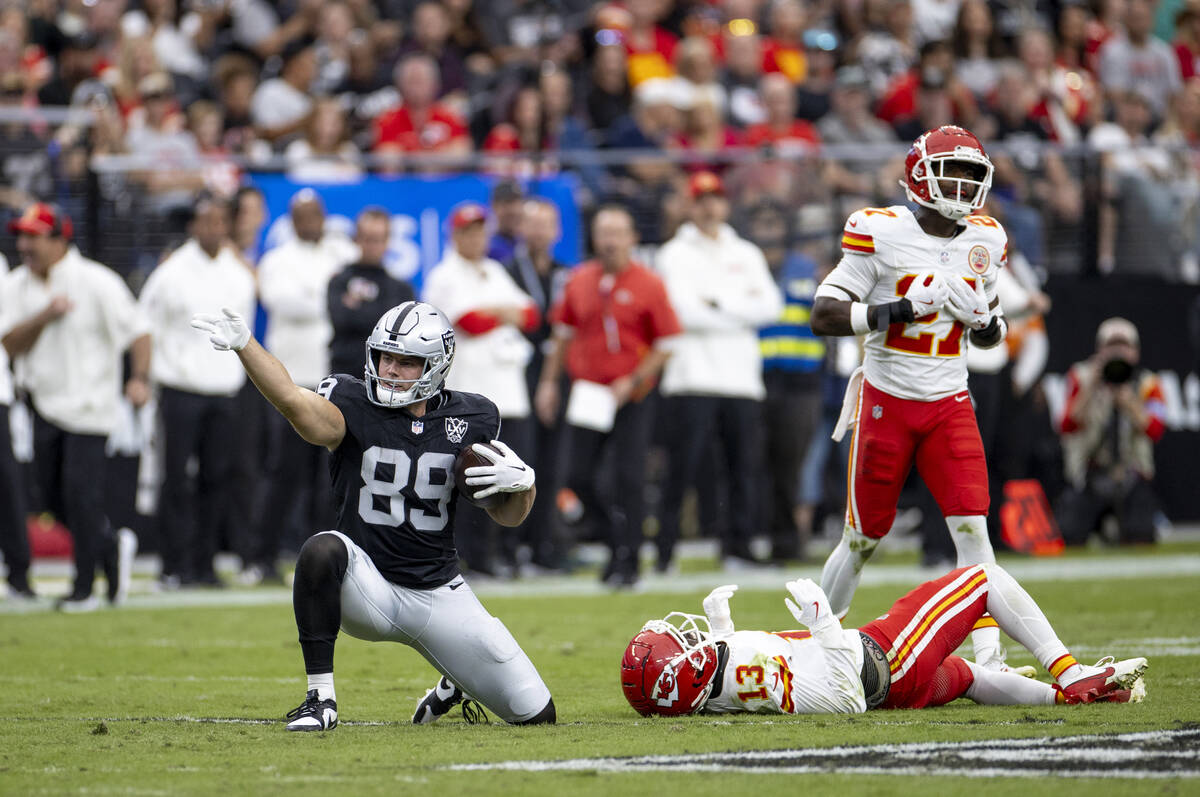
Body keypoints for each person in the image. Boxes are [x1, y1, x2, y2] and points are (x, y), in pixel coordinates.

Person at [190, 300, 554, 730]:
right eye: (385, 356)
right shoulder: (351, 401)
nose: (391, 369)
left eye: (406, 361)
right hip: (367, 587)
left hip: (439, 591)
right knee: (321, 550)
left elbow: (509, 517)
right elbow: (293, 401)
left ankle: (452, 683)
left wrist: (524, 486)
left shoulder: (473, 416)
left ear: (436, 366)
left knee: (535, 713)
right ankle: (319, 697)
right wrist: (247, 346)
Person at [809, 125, 1011, 672]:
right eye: (955, 171)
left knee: (974, 533)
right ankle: (817, 646)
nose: (966, 185)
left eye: (974, 174)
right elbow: (823, 315)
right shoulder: (879, 231)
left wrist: (986, 320)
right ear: (920, 174)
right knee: (861, 538)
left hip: (949, 402)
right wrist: (898, 310)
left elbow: (991, 332)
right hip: (887, 402)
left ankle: (989, 657)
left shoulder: (985, 239)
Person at [620, 565, 1149, 717]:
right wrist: (824, 624)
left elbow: (743, 673)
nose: (685, 638)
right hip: (885, 657)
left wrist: (719, 633)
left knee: (967, 678)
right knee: (982, 580)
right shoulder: (764, 688)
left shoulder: (713, 690)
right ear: (681, 678)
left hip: (894, 684)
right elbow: (844, 696)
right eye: (681, 647)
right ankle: (1070, 670)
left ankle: (1065, 698)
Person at [0, 203, 144, 611]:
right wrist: (45, 315)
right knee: (51, 500)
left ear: (59, 238)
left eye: (34, 236)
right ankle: (109, 545)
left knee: (81, 495)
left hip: (90, 406)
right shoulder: (15, 285)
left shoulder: (96, 280)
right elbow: (7, 345)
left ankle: (83, 588)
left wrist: (139, 378)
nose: (24, 244)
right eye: (21, 236)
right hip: (42, 406)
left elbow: (139, 331)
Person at [535, 206, 681, 588]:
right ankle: (615, 542)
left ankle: (629, 559)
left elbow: (666, 344)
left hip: (632, 394)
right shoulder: (580, 280)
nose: (610, 241)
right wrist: (549, 383)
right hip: (589, 392)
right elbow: (562, 336)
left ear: (633, 238)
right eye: (603, 232)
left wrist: (632, 379)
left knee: (630, 476)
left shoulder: (649, 283)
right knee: (576, 475)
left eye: (618, 232)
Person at [653, 172, 784, 572]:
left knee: (743, 468)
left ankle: (739, 549)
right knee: (683, 468)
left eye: (716, 199)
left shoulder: (744, 251)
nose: (710, 207)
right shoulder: (673, 254)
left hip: (741, 379)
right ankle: (665, 551)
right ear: (691, 206)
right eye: (702, 199)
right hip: (691, 377)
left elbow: (771, 308)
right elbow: (681, 311)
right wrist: (737, 310)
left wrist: (715, 304)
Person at [139, 196, 256, 588]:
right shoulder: (170, 272)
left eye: (219, 221)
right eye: (206, 221)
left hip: (224, 391)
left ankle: (205, 564)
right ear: (193, 226)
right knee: (175, 478)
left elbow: (245, 334)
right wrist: (145, 375)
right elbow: (145, 324)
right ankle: (173, 563)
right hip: (180, 389)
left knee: (217, 478)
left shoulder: (237, 274)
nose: (213, 228)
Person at [256, 189, 355, 561]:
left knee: (330, 476)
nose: (311, 223)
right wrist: (330, 301)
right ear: (293, 220)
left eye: (316, 215)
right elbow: (281, 302)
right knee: (284, 471)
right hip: (291, 381)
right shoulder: (277, 259)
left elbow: (353, 303)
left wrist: (318, 299)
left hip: (333, 382)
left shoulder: (341, 254)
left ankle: (325, 554)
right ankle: (264, 554)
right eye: (304, 216)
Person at [1056, 317, 1166, 545]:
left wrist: (1129, 403)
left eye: (1123, 347)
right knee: (1070, 535)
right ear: (1100, 351)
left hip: (1131, 475)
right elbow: (1067, 425)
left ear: (1135, 352)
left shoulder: (1149, 383)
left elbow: (1155, 429)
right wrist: (1091, 389)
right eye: (1111, 347)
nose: (1118, 354)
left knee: (1141, 537)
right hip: (1091, 475)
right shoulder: (1081, 376)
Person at [327, 207, 415, 378]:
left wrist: (357, 308)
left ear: (387, 241)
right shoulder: (339, 280)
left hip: (386, 379)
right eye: (367, 238)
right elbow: (340, 319)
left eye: (378, 239)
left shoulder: (401, 288)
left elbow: (402, 334)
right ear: (356, 239)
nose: (373, 246)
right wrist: (380, 315)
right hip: (344, 377)